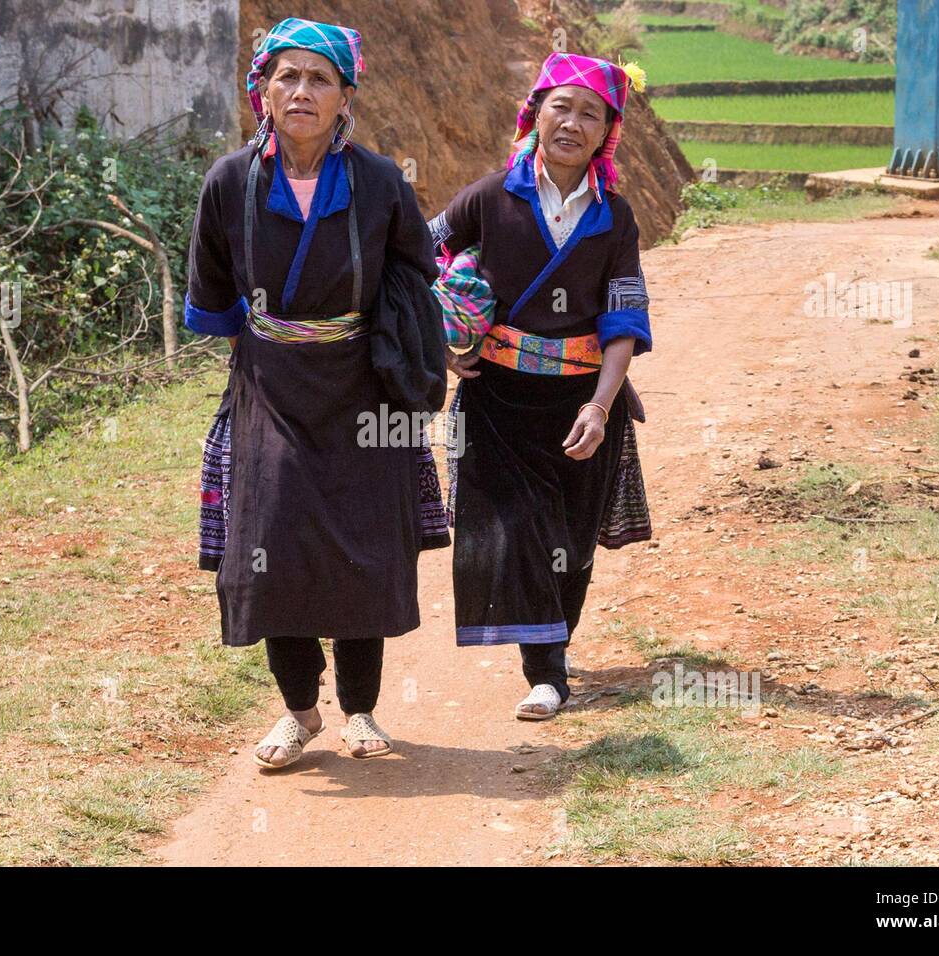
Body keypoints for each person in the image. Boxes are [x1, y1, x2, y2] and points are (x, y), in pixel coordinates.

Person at [186, 17, 447, 768]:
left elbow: (415, 277)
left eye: (319, 79)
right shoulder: (230, 183)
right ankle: (300, 711)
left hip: (364, 391)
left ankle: (360, 710)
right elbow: (217, 302)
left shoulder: (380, 183)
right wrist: (271, 352)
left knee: (363, 546)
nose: (301, 91)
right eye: (287, 77)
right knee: (273, 542)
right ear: (261, 90)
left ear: (344, 98)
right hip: (269, 390)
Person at [430, 52, 653, 720]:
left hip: (582, 402)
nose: (573, 123)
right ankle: (547, 672)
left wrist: (601, 403)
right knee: (520, 528)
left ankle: (554, 647)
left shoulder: (614, 217)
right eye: (562, 106)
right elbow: (420, 251)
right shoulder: (488, 198)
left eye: (590, 112)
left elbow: (625, 318)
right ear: (536, 116)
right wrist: (448, 332)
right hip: (498, 397)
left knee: (572, 538)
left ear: (606, 131)